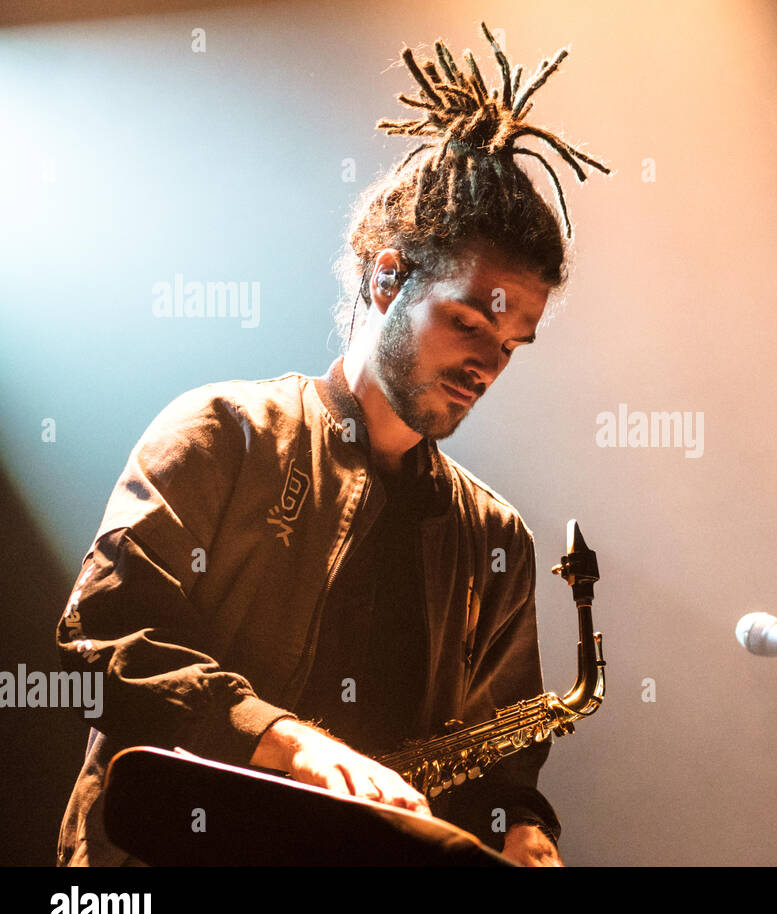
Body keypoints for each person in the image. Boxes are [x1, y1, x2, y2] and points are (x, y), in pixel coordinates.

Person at [54, 22, 610, 867]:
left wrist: (521, 828)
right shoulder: (220, 433)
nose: (487, 366)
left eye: (509, 345)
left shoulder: (497, 541)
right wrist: (291, 742)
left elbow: (500, 767)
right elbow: (107, 638)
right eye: (467, 323)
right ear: (388, 277)